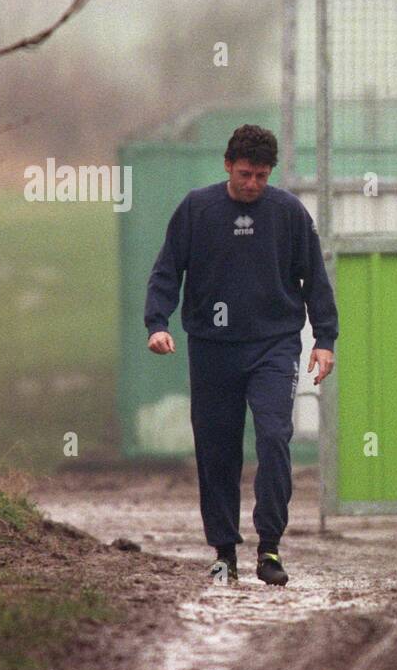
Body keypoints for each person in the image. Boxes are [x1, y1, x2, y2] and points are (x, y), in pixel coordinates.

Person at [143, 124, 337, 586]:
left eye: (262, 176)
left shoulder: (288, 213)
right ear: (228, 165)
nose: (252, 184)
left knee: (273, 437)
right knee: (217, 450)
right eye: (245, 173)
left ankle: (269, 546)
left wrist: (325, 339)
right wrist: (157, 323)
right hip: (212, 347)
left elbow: (315, 277)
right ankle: (224, 551)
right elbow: (168, 270)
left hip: (274, 344)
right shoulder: (197, 209)